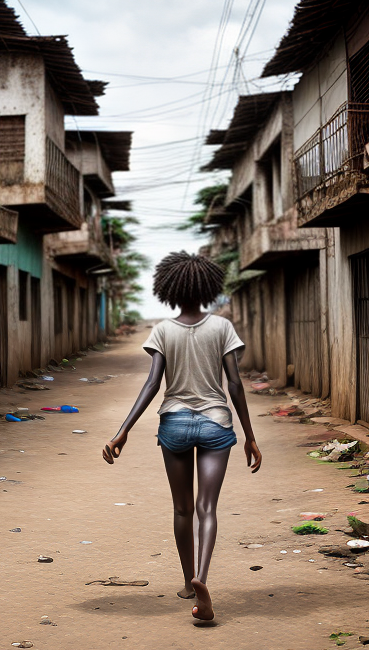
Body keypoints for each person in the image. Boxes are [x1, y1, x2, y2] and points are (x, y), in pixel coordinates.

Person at [102, 251, 262, 622]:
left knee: (181, 508)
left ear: (168, 289)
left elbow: (152, 384)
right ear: (208, 288)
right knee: (207, 508)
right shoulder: (222, 327)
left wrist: (122, 431)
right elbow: (235, 384)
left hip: (174, 424)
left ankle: (188, 585)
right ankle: (201, 579)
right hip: (215, 423)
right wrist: (250, 436)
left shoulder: (163, 329)